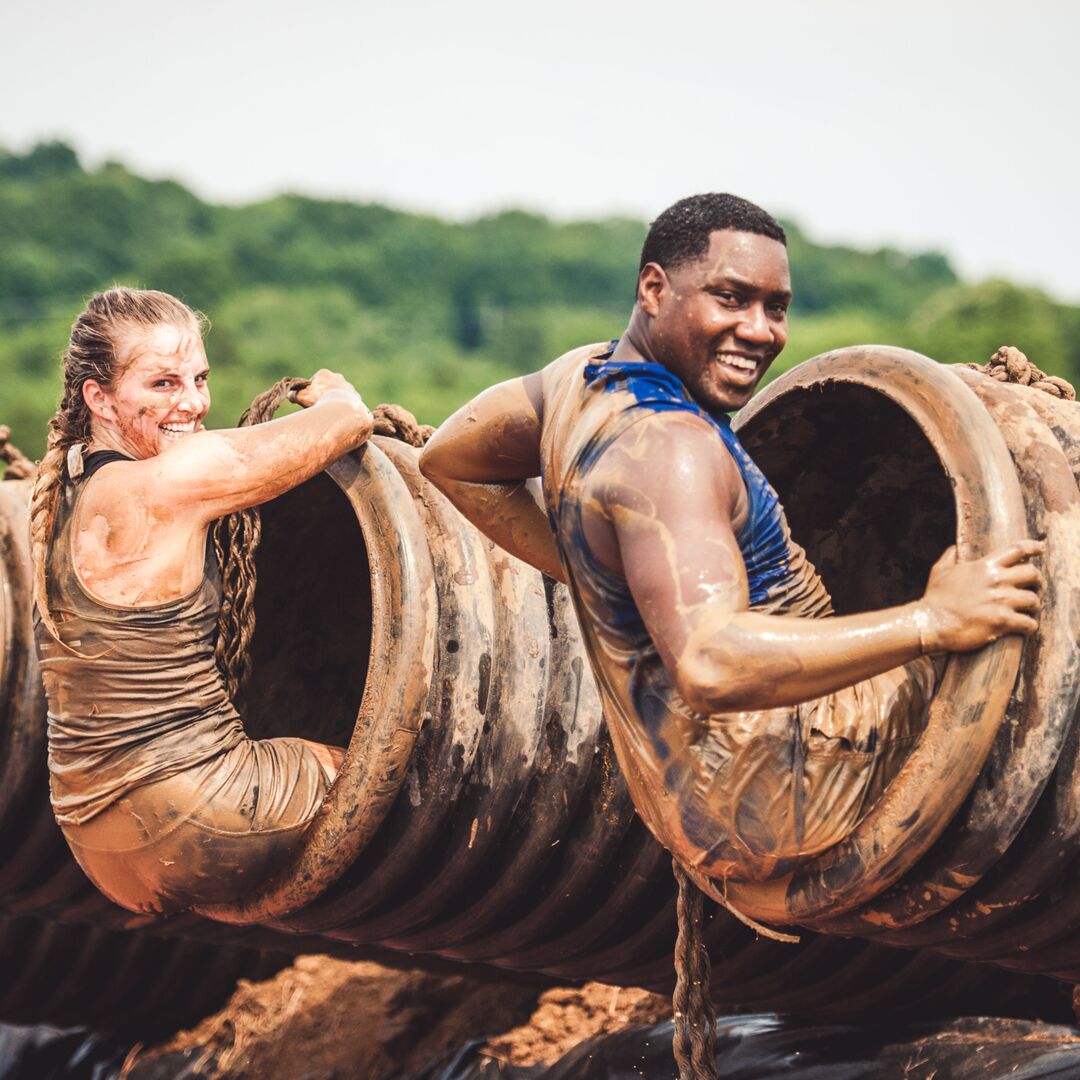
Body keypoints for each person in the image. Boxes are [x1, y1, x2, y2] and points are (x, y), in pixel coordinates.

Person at [419, 194, 1043, 884]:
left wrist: (608, 581)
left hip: (688, 797)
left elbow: (451, 457)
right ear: (654, 289)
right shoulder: (674, 450)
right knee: (1026, 647)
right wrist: (933, 619)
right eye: (730, 298)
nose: (760, 330)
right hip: (788, 783)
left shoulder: (575, 380)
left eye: (775, 307)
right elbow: (712, 663)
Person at [31, 287, 373, 915]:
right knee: (394, 779)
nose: (191, 402)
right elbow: (349, 421)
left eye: (199, 378)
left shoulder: (59, 496)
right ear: (98, 397)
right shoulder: (166, 480)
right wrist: (331, 390)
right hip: (191, 818)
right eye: (162, 383)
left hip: (98, 847)